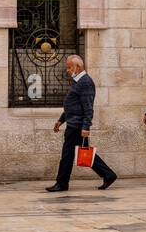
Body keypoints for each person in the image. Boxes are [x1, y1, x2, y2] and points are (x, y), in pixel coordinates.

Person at [47, 54, 117, 192]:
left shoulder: (85, 82)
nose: (67, 70)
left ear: (77, 66)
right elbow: (72, 105)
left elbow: (88, 107)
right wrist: (61, 120)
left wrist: (86, 126)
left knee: (68, 154)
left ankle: (62, 183)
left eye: (69, 67)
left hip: (77, 126)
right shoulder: (78, 81)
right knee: (81, 152)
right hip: (73, 123)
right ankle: (108, 174)